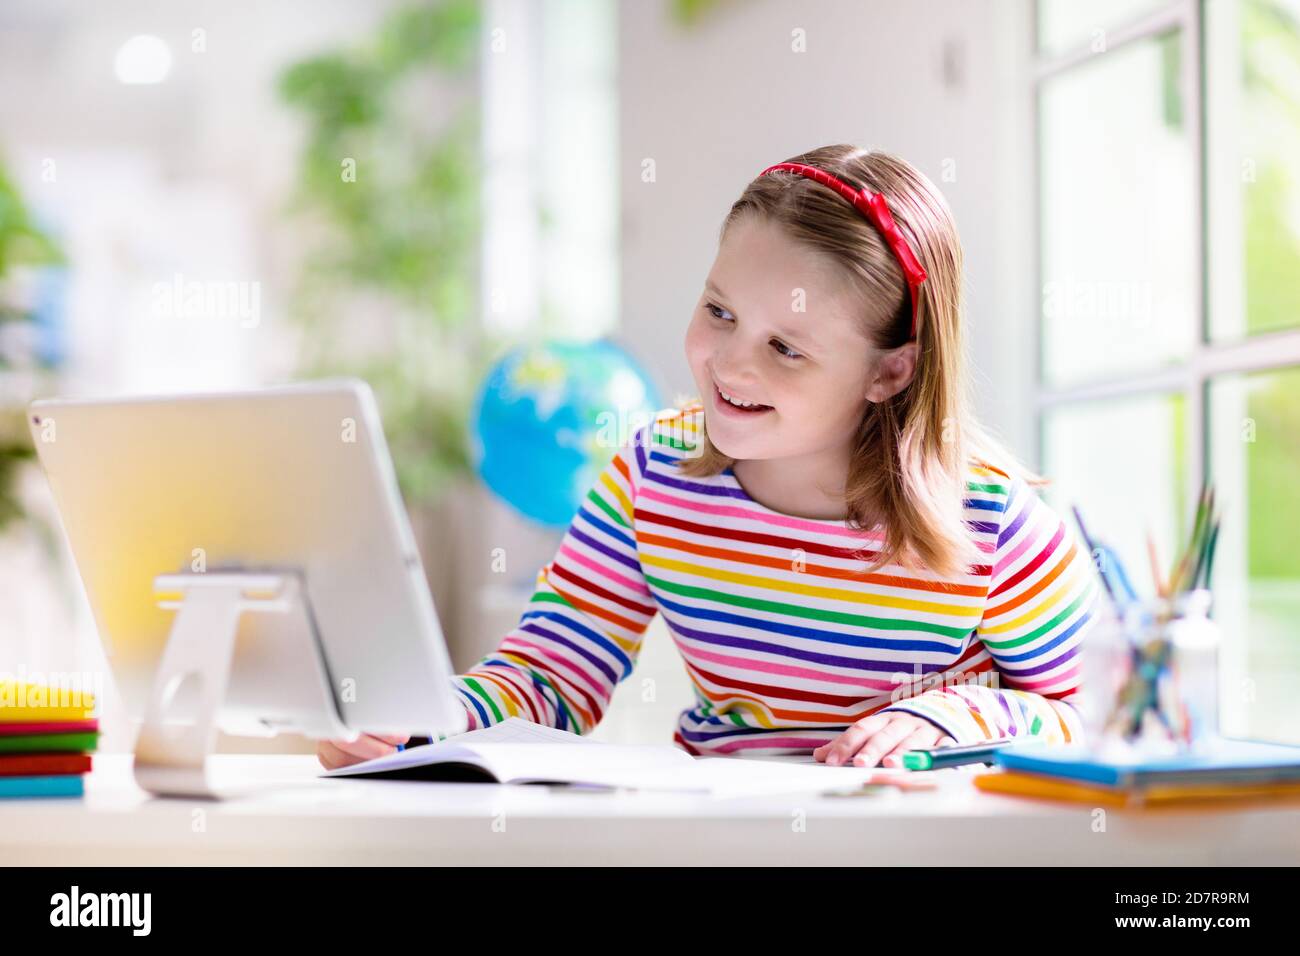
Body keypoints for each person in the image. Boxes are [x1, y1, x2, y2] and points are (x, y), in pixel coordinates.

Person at [317, 144, 1099, 772]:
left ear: (889, 371)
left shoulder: (991, 525)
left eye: (785, 348)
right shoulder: (651, 473)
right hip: (714, 839)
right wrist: (423, 720)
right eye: (719, 311)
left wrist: (944, 714)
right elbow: (552, 677)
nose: (731, 366)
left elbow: (1086, 712)